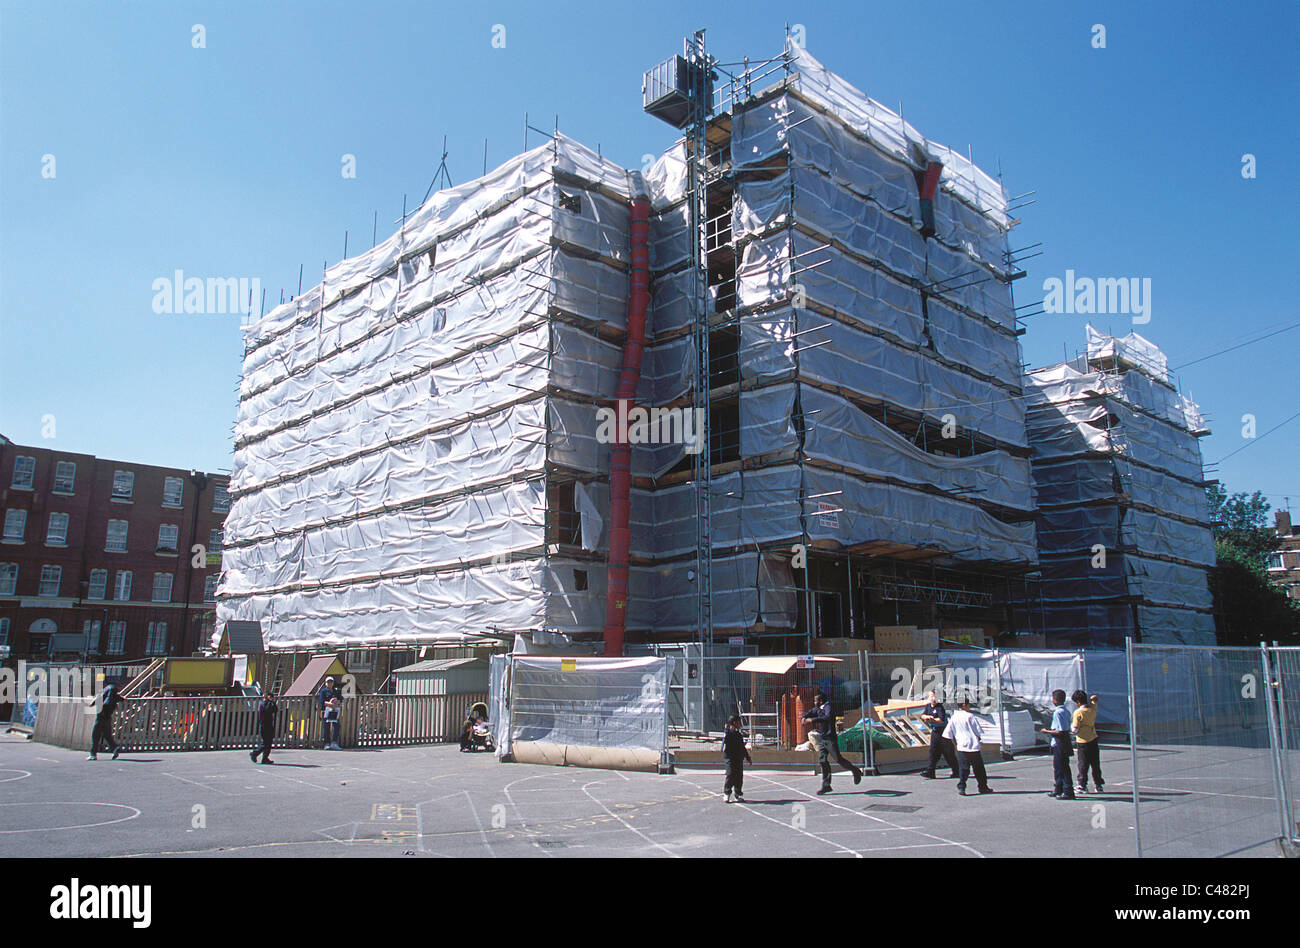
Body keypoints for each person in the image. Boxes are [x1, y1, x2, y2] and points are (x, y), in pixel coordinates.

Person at [802, 689, 863, 794]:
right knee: (822, 760)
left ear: (820, 701)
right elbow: (811, 712)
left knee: (838, 759)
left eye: (815, 701)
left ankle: (855, 771)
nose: (814, 703)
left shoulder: (828, 707)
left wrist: (812, 720)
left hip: (830, 738)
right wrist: (804, 717)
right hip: (822, 739)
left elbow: (827, 717)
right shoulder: (818, 708)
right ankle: (826, 785)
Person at [942, 695, 992, 795]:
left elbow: (948, 734)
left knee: (964, 768)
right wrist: (979, 740)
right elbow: (978, 731)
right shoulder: (970, 716)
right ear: (964, 705)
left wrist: (956, 744)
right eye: (968, 705)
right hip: (973, 746)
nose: (969, 707)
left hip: (961, 746)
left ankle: (962, 786)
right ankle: (982, 787)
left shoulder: (954, 717)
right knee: (979, 769)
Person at [1042, 689, 1076, 799]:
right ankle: (1058, 788)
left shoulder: (1058, 713)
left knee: (1062, 767)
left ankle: (1068, 790)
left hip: (1060, 742)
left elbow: (1060, 731)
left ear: (1055, 700)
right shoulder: (1066, 711)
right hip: (1063, 741)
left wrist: (1047, 731)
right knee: (1058, 766)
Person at [918, 690, 958, 779]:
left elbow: (941, 719)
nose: (932, 698)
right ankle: (930, 771)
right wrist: (927, 717)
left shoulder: (940, 707)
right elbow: (923, 715)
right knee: (933, 752)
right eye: (931, 696)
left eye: (934, 696)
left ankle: (956, 771)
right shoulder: (928, 706)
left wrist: (932, 719)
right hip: (935, 731)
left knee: (948, 752)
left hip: (943, 732)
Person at [1071, 690, 1103, 793]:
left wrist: (1072, 728)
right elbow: (1094, 699)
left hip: (1082, 741)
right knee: (1095, 763)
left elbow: (1075, 729)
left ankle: (1082, 785)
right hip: (1093, 738)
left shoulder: (1078, 712)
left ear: (1078, 702)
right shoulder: (1092, 708)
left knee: (1083, 764)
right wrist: (1092, 699)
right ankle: (1098, 785)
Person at [88, 682, 125, 761]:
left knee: (95, 735)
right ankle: (115, 748)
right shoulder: (113, 692)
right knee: (107, 735)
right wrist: (123, 698)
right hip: (108, 716)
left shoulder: (106, 689)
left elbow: (99, 698)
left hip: (101, 714)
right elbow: (120, 698)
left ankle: (93, 754)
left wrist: (92, 703)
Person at [722, 715, 753, 803]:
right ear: (734, 723)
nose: (740, 724)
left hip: (738, 758)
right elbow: (725, 741)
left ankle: (738, 794)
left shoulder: (738, 735)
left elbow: (742, 748)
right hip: (730, 758)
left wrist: (748, 757)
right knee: (730, 774)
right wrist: (726, 730)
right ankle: (727, 793)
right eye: (739, 722)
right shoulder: (728, 733)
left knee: (739, 777)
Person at [251, 689, 278, 765]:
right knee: (265, 743)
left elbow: (275, 710)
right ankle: (255, 753)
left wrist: (273, 703)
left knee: (269, 743)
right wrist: (270, 702)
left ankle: (265, 758)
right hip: (264, 726)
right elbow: (268, 709)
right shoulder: (263, 704)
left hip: (269, 725)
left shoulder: (270, 704)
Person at [318, 676, 341, 750]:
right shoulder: (323, 691)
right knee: (326, 727)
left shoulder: (336, 691)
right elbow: (322, 701)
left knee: (336, 726)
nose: (330, 683)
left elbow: (340, 699)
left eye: (331, 682)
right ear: (325, 683)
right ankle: (326, 743)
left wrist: (336, 703)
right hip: (326, 711)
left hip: (335, 711)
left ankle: (334, 743)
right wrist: (330, 704)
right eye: (328, 682)